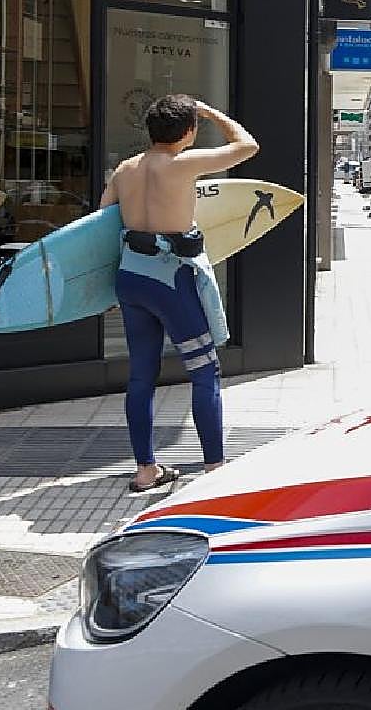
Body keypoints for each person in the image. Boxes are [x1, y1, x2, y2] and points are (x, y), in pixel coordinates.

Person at [100, 95, 258, 493]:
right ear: (187, 131)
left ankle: (145, 469)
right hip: (172, 281)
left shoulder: (124, 169)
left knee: (140, 375)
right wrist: (209, 111)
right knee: (205, 372)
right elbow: (247, 145)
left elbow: (100, 225)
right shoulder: (183, 163)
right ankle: (215, 470)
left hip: (131, 276)